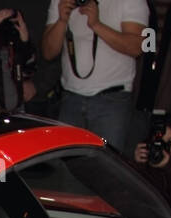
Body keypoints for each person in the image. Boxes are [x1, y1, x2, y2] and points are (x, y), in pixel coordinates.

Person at [42, 0, 147, 152]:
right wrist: (61, 21)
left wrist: (96, 25)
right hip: (70, 98)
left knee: (107, 167)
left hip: (112, 101)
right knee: (66, 165)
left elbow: (136, 47)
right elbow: (48, 52)